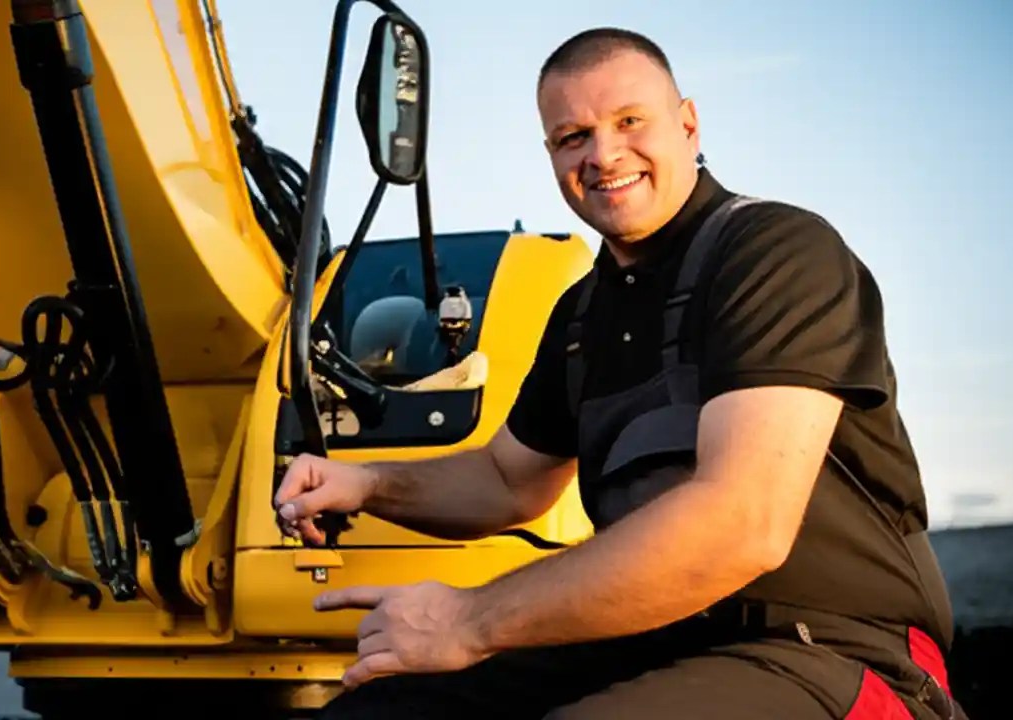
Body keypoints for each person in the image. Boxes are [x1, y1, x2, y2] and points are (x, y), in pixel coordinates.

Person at [274, 27, 964, 720]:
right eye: (572, 136)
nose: (603, 154)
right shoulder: (582, 315)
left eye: (628, 121)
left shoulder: (775, 253)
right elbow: (506, 480)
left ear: (687, 124)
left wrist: (468, 621)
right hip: (652, 643)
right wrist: (365, 484)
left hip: (831, 653)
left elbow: (742, 523)